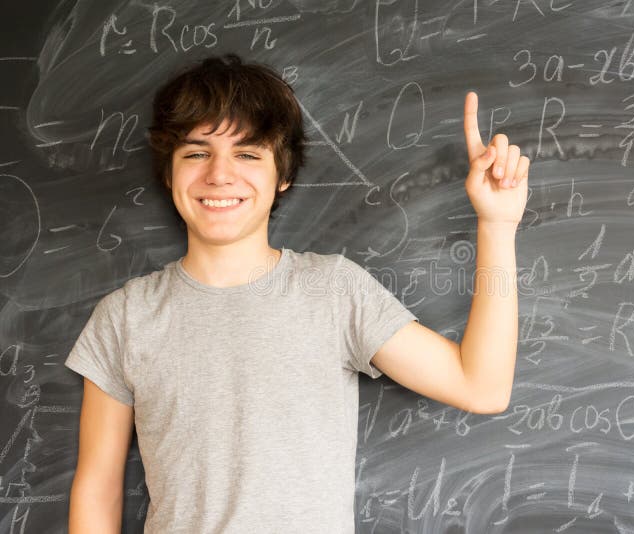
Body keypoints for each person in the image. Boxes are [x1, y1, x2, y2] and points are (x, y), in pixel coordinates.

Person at [65, 53, 530, 533]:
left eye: (247, 153)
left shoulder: (333, 292)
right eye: (197, 152)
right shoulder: (125, 317)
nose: (220, 174)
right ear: (169, 172)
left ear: (282, 175)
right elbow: (98, 486)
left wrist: (497, 224)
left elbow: (482, 387)